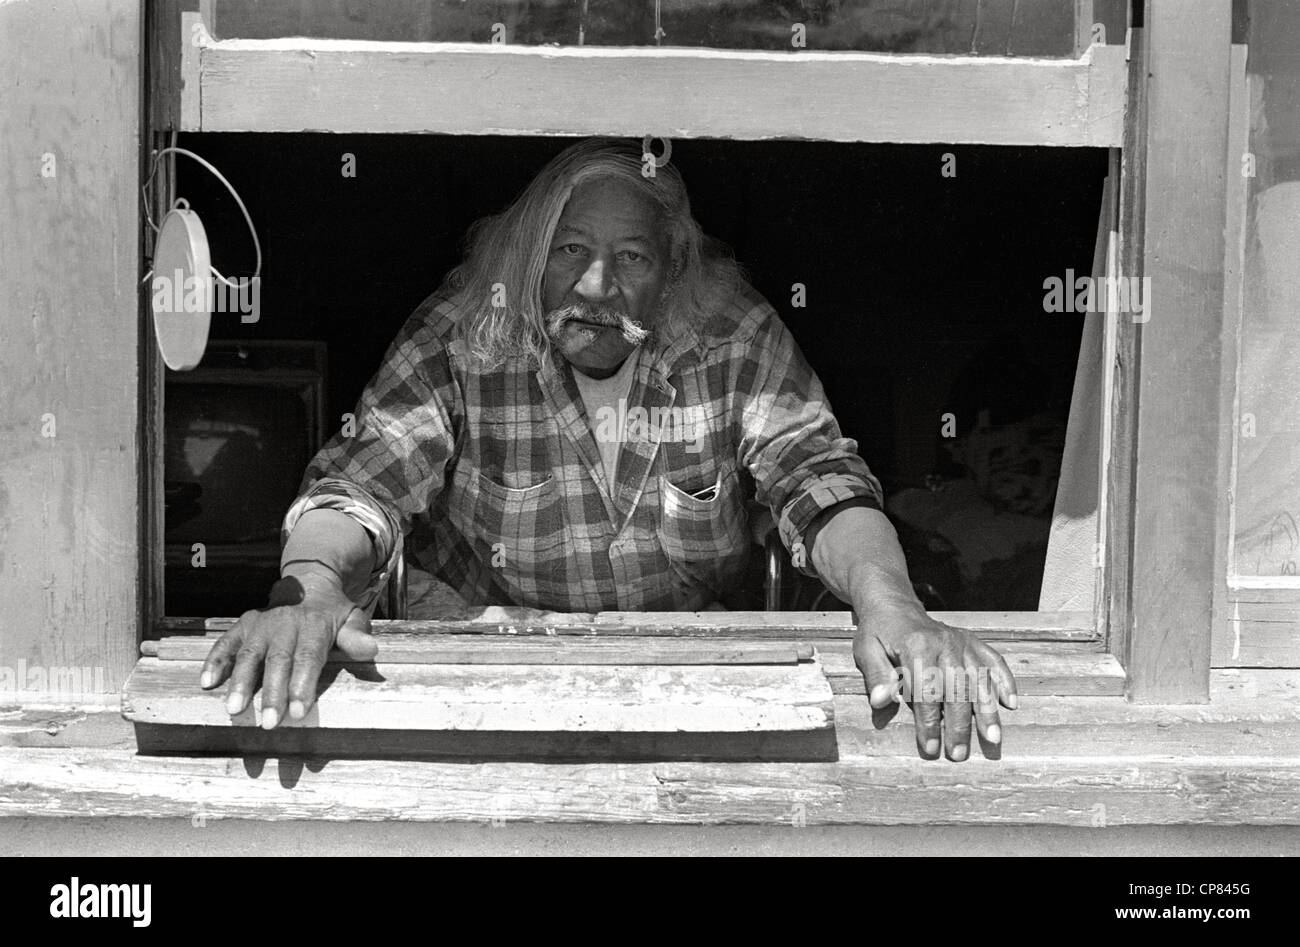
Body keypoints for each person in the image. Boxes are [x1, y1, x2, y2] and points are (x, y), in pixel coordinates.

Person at [199, 138, 1017, 761]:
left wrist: (892, 606)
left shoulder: (729, 336)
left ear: (671, 271)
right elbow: (364, 477)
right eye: (570, 251)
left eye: (630, 257)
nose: (596, 287)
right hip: (486, 674)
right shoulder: (466, 334)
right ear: (530, 259)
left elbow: (817, 476)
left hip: (685, 682)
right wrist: (307, 590)